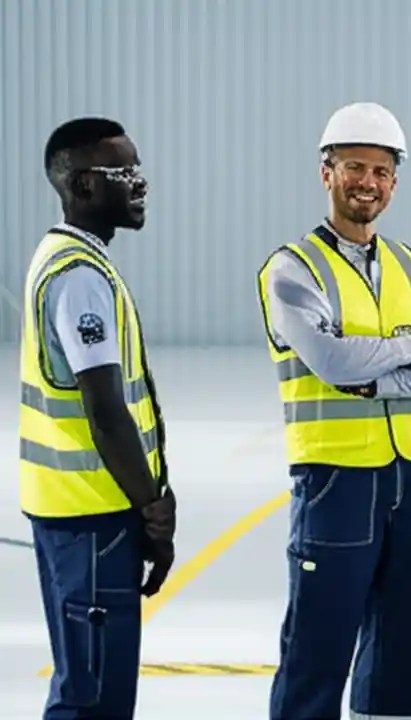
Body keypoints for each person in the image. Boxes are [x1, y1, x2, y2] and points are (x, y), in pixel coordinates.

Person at [257, 101, 411, 720]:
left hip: (409, 478)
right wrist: (407, 345)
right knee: (318, 652)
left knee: (397, 654)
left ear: (394, 182)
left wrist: (377, 382)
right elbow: (332, 362)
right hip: (334, 480)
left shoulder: (409, 265)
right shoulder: (293, 269)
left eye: (380, 171)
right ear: (327, 172)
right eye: (354, 167)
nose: (367, 182)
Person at [19, 117, 176, 719]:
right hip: (91, 514)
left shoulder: (68, 259)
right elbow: (107, 411)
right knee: (93, 698)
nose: (141, 184)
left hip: (78, 513)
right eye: (124, 172)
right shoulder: (79, 278)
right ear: (83, 186)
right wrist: (153, 506)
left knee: (87, 685)